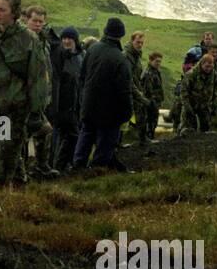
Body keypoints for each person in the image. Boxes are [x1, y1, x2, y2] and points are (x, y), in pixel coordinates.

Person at [0, 0, 49, 187]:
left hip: (15, 108)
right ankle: (1, 188)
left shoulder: (28, 39)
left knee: (8, 151)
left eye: (2, 10)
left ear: (14, 13)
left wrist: (36, 111)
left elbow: (38, 77)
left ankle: (1, 193)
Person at [71, 17, 133, 172]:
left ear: (106, 31)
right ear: (121, 35)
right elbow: (124, 90)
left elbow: (82, 76)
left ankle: (77, 169)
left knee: (85, 137)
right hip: (109, 111)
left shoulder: (92, 49)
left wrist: (83, 99)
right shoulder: (120, 59)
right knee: (105, 144)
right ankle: (96, 173)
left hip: (88, 105)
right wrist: (126, 112)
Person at [23, 5, 60, 179]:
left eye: (40, 21)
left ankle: (39, 166)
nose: (38, 24)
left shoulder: (43, 42)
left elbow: (46, 71)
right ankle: (17, 172)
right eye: (34, 21)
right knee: (8, 139)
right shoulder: (21, 41)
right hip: (13, 102)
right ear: (26, 20)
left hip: (36, 100)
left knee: (45, 131)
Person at [53, 26, 83, 172]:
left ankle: (62, 165)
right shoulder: (59, 56)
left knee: (69, 136)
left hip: (76, 104)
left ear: (75, 40)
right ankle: (60, 165)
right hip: (62, 105)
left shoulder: (80, 56)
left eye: (69, 38)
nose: (66, 41)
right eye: (64, 38)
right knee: (70, 135)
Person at [182, 52, 217, 133]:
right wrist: (187, 106)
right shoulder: (191, 74)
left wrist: (215, 100)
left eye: (210, 66)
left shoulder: (213, 74)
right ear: (202, 64)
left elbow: (216, 87)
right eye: (206, 66)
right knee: (189, 128)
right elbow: (184, 91)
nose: (208, 69)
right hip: (191, 103)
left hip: (205, 105)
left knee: (206, 127)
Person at [123, 30, 149, 147]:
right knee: (126, 117)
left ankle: (141, 138)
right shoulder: (127, 56)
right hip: (128, 91)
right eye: (138, 42)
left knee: (140, 113)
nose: (140, 45)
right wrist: (139, 94)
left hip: (135, 89)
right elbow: (128, 78)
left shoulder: (136, 56)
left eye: (142, 43)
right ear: (132, 41)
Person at [140, 51, 165, 143]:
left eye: (159, 61)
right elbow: (148, 91)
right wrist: (153, 102)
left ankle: (150, 137)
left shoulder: (156, 71)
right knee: (150, 121)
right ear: (150, 61)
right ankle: (148, 139)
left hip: (156, 101)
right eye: (156, 61)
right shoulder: (148, 73)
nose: (158, 63)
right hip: (150, 103)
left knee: (153, 121)